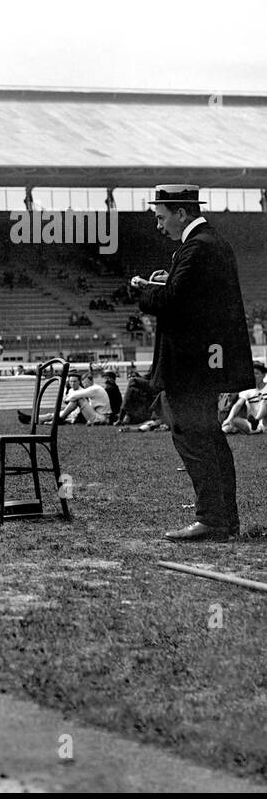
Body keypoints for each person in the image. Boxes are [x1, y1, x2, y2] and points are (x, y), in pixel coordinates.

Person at [133, 185, 254, 542]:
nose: (159, 226)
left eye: (161, 217)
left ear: (180, 213)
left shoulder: (198, 247)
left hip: (192, 365)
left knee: (194, 438)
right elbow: (193, 296)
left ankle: (212, 519)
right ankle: (223, 520)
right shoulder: (211, 243)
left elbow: (170, 301)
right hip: (205, 362)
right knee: (210, 438)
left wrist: (144, 290)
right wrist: (167, 282)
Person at [222, 361, 267, 435]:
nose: (253, 376)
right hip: (254, 427)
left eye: (256, 373)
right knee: (233, 420)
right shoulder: (247, 391)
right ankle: (221, 432)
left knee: (264, 402)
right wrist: (228, 419)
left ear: (264, 375)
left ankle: (256, 421)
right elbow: (238, 405)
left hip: (265, 421)